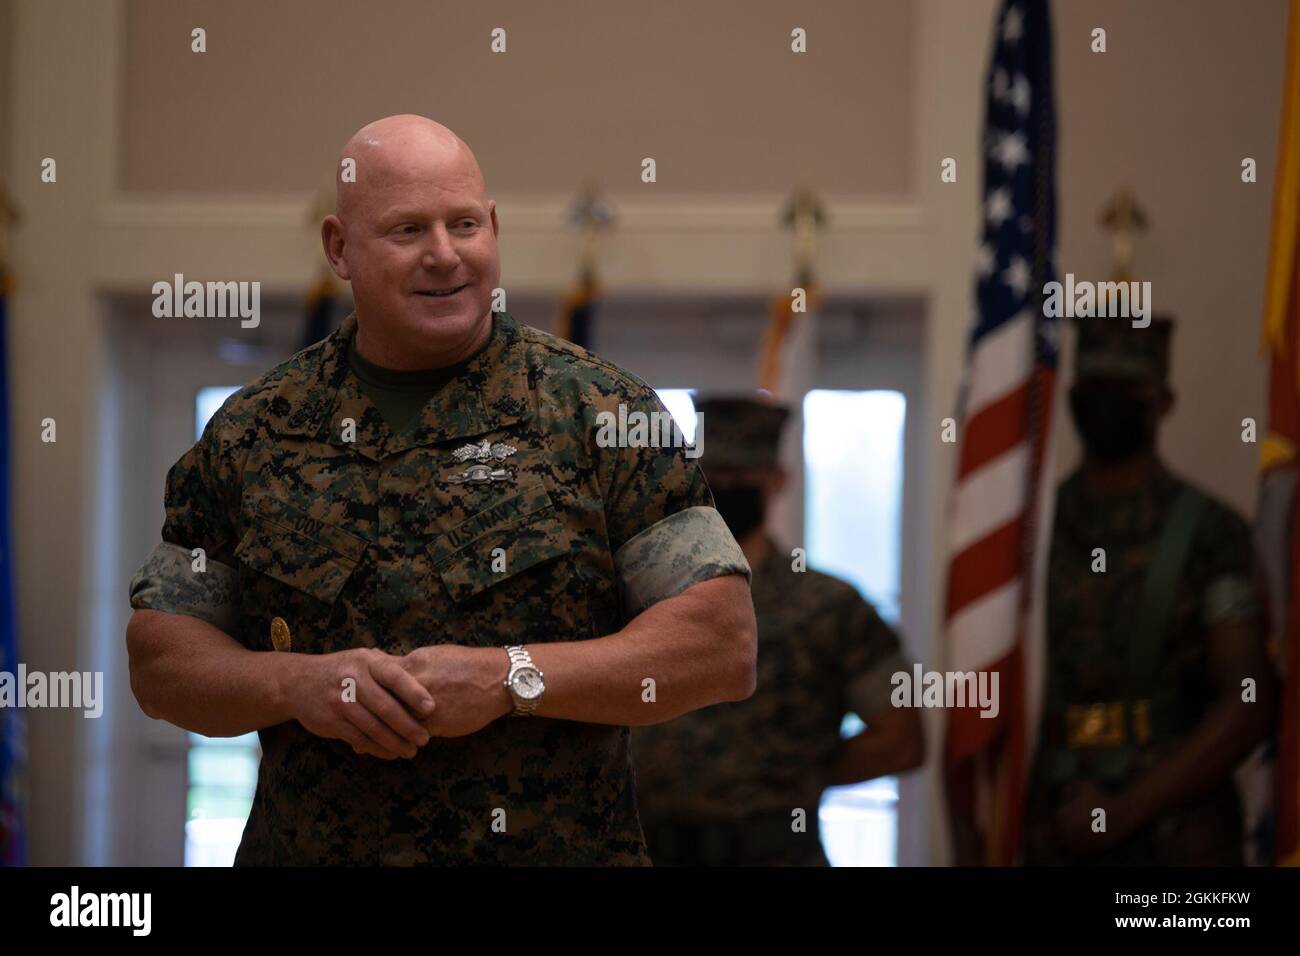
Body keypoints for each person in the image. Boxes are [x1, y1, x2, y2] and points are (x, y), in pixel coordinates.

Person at [124, 115, 757, 865]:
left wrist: (510, 677)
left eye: (464, 224)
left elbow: (722, 645)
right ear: (339, 248)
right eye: (406, 230)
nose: (444, 256)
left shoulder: (602, 414)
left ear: (493, 227)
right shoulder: (256, 431)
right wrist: (296, 684)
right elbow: (162, 661)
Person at [1020, 315, 1279, 865]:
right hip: (1052, 831)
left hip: (1178, 841)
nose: (1106, 403)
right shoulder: (1033, 528)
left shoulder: (1212, 532)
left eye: (1124, 391)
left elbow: (1249, 702)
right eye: (1094, 390)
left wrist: (1127, 810)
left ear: (1163, 401)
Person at [632, 396, 925, 865]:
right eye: (715, 476)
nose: (726, 488)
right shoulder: (639, 588)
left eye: (742, 479)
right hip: (648, 848)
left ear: (777, 481)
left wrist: (796, 778)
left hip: (774, 849)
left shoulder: (829, 605)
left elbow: (902, 738)